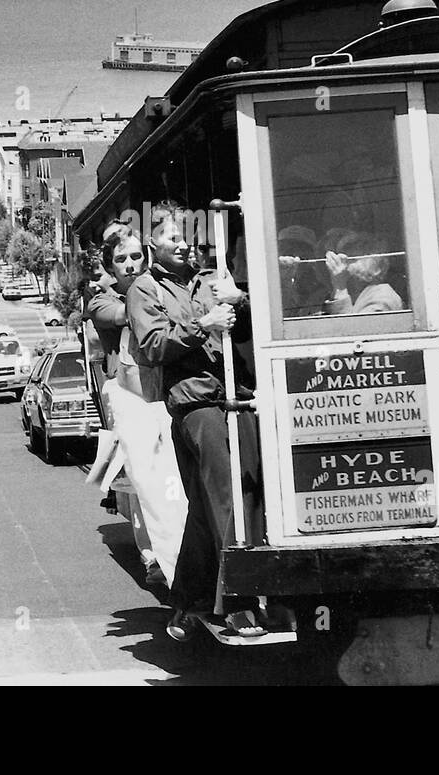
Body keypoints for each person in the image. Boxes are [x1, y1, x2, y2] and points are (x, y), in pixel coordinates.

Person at [126, 203, 267, 640]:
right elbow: (151, 346)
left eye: (187, 236)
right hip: (196, 408)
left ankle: (188, 601)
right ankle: (238, 604)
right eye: (173, 237)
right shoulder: (145, 289)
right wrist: (203, 323)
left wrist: (239, 304)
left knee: (218, 506)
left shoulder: (211, 279)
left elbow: (242, 333)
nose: (184, 244)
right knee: (229, 500)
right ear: (153, 244)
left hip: (235, 399)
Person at [99, 227, 186, 591]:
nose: (130, 265)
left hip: (160, 394)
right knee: (141, 483)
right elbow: (124, 315)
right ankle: (154, 557)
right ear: (110, 266)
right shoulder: (102, 300)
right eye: (121, 259)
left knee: (170, 480)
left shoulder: (156, 287)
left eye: (136, 257)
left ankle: (179, 550)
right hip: (130, 398)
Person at [324, 232, 404, 314]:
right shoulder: (358, 294)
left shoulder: (382, 298)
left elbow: (349, 326)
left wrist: (340, 288)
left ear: (376, 266)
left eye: (351, 258)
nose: (342, 263)